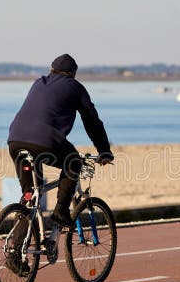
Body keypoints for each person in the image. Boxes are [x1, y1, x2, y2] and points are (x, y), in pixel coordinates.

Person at [7, 53, 113, 226]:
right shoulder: (75, 87)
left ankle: (15, 249)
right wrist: (104, 150)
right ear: (73, 74)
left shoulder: (38, 83)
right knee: (73, 162)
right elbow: (91, 120)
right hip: (45, 141)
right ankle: (61, 211)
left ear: (52, 70)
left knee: (30, 196)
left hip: (16, 141)